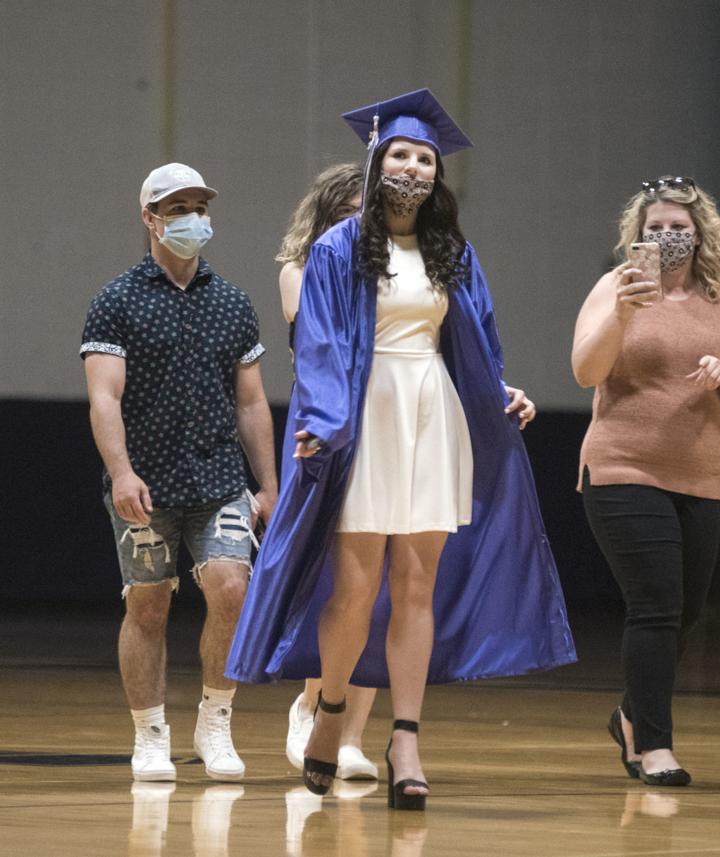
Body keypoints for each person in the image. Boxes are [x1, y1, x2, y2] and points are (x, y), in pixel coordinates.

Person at [225, 89, 576, 809]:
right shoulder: (335, 249)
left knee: (417, 584)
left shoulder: (454, 252)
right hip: (363, 413)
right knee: (355, 588)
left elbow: (472, 339)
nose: (413, 166)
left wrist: (502, 390)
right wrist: (324, 420)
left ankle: (406, 736)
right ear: (378, 162)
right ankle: (327, 715)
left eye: (425, 158)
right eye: (401, 155)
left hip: (431, 412)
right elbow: (318, 343)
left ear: (436, 175)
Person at [80, 163, 278, 782]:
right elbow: (105, 398)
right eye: (177, 207)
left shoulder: (232, 302)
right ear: (150, 218)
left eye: (199, 205)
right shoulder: (117, 301)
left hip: (218, 475)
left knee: (232, 589)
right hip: (145, 484)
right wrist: (120, 473)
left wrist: (269, 484)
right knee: (148, 606)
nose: (193, 216)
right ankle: (149, 733)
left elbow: (250, 402)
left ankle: (216, 720)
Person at [572, 176, 720, 786]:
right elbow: (584, 371)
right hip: (624, 466)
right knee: (654, 607)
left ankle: (630, 713)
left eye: (679, 227)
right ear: (638, 235)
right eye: (656, 228)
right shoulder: (614, 288)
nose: (667, 236)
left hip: (702, 473)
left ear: (700, 233)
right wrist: (623, 314)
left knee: (686, 613)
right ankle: (654, 745)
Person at [276, 163, 378, 782]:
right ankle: (309, 707)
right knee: (333, 578)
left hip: (389, 424)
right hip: (323, 425)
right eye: (346, 213)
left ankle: (354, 736)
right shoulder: (301, 270)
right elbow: (320, 333)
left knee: (379, 587)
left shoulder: (399, 271)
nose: (357, 225)